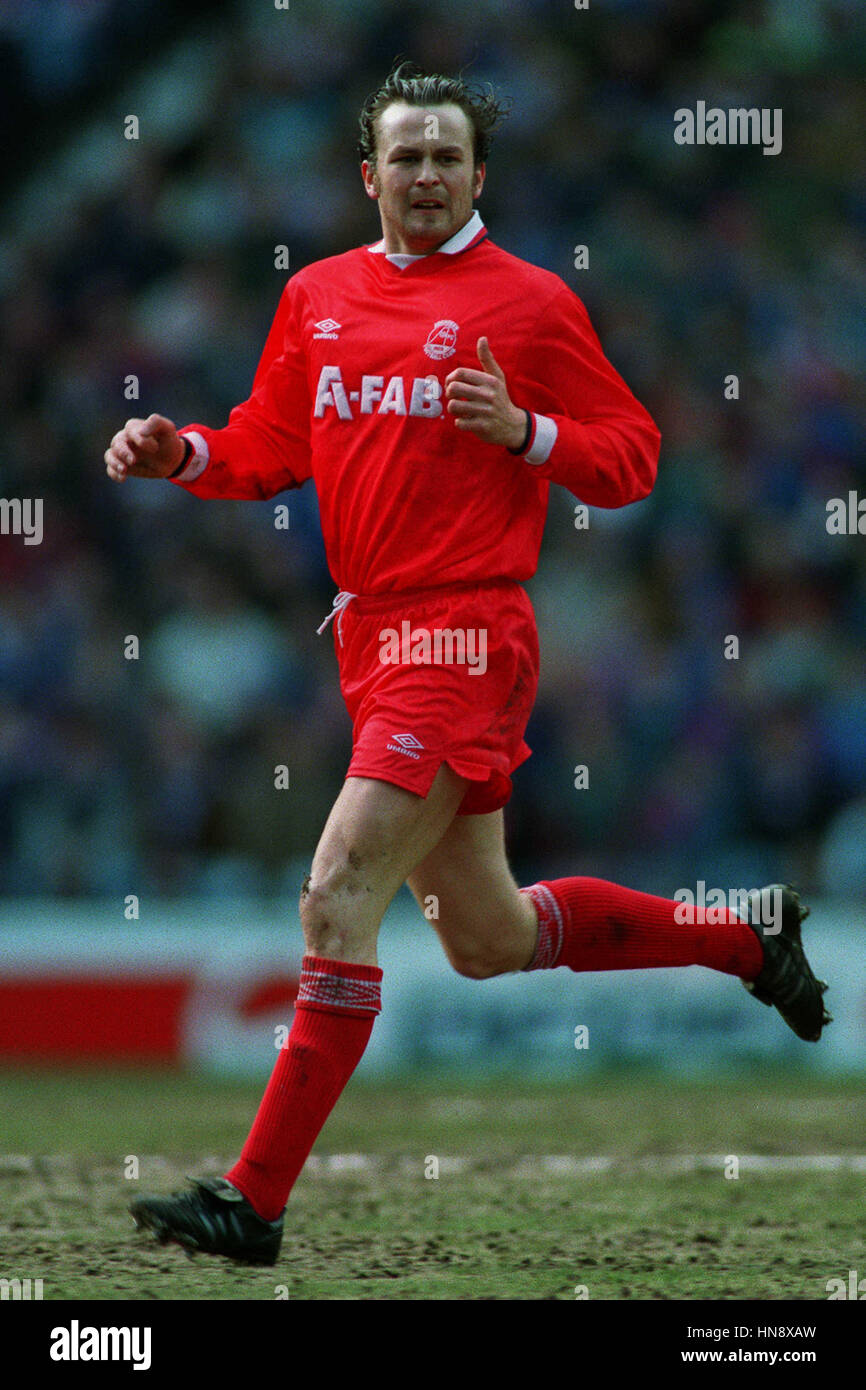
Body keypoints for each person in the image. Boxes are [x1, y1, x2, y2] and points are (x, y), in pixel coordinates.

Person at [105, 61, 830, 1267]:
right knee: (484, 937)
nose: (427, 175)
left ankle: (252, 1201)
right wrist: (182, 450)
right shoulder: (318, 298)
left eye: (448, 157)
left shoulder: (531, 304)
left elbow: (633, 457)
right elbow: (268, 444)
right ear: (368, 176)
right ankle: (742, 935)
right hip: (370, 637)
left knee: (338, 890)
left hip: (463, 634)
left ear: (478, 175)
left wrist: (527, 432)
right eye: (407, 156)